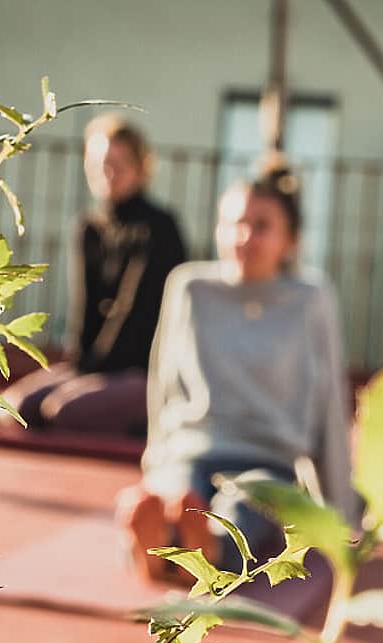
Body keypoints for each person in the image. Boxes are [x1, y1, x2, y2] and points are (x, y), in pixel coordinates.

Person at [121, 163, 354, 580]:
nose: (243, 237)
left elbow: (329, 404)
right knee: (175, 488)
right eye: (233, 223)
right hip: (192, 447)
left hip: (268, 459)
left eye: (261, 226)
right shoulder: (189, 286)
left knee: (247, 507)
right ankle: (163, 539)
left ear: (291, 240)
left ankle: (204, 547)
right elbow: (164, 385)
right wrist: (153, 463)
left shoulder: (311, 299)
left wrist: (340, 517)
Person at [4, 115, 187, 435]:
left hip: (141, 368)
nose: (108, 172)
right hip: (96, 364)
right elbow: (84, 305)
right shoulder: (88, 227)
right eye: (100, 162)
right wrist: (79, 365)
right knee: (20, 407)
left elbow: (136, 311)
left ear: (141, 167)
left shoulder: (158, 227)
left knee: (64, 412)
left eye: (119, 163)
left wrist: (93, 373)